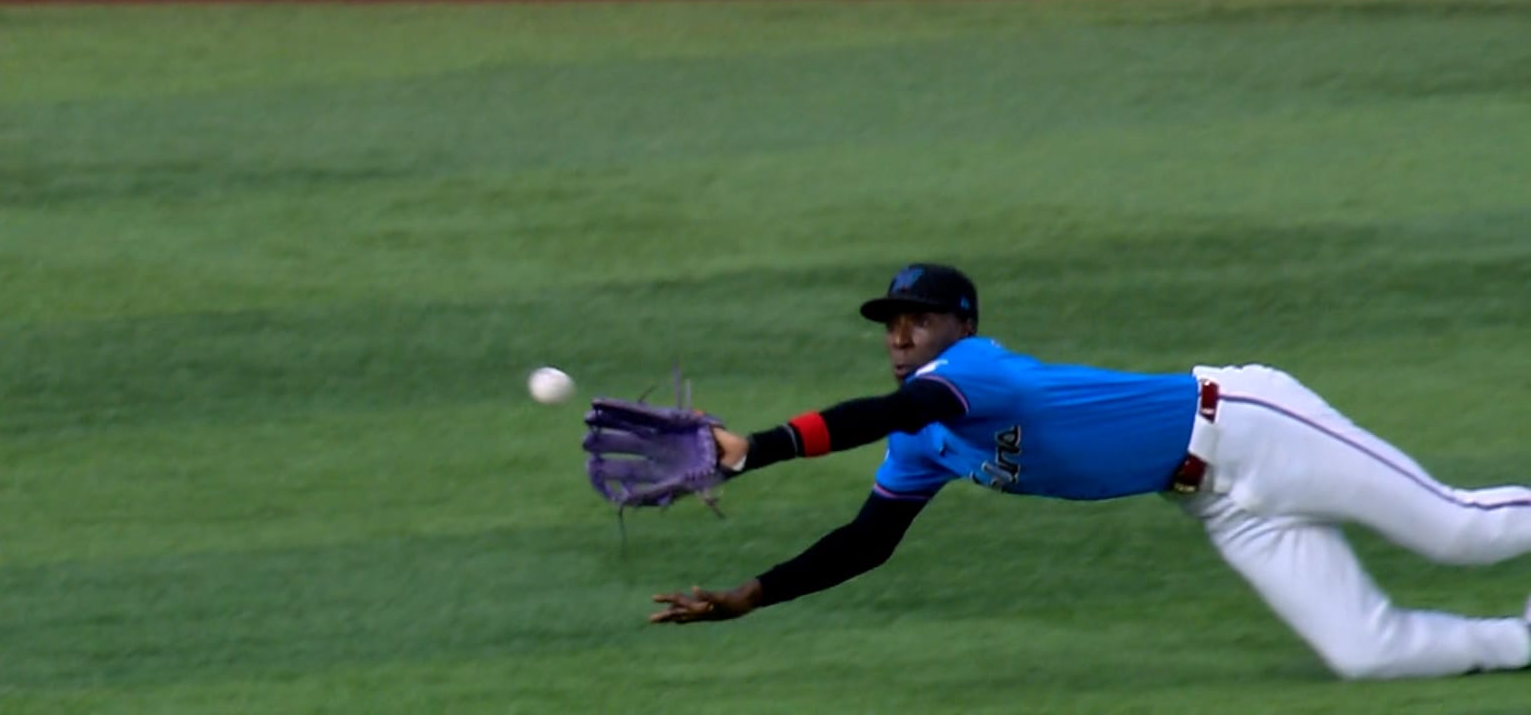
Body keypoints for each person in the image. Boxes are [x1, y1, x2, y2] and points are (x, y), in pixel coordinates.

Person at [648, 262, 1531, 680]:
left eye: (918, 318)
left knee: (1460, 530)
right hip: (1221, 502)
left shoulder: (973, 374)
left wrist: (754, 448)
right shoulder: (925, 439)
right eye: (890, 322)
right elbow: (868, 541)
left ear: (960, 325)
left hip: (1256, 428)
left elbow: (888, 412)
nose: (900, 334)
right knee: (1365, 651)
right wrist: (749, 596)